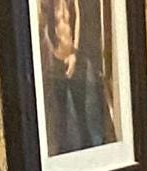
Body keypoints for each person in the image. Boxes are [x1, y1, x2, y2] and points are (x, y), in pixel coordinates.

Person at [40, 0, 116, 159]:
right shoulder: (48, 5)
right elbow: (45, 26)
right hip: (56, 60)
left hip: (77, 57)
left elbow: (82, 21)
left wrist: (74, 52)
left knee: (82, 107)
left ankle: (90, 150)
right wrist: (54, 53)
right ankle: (61, 155)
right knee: (59, 112)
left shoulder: (75, 4)